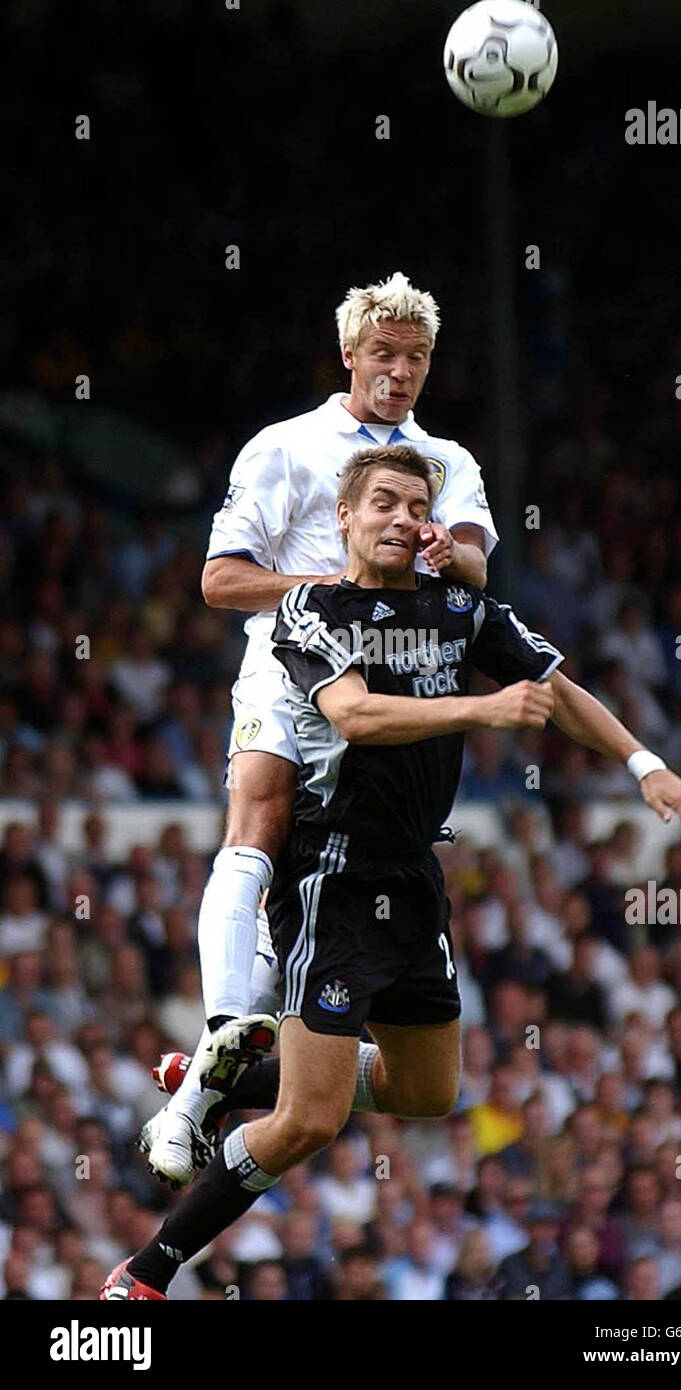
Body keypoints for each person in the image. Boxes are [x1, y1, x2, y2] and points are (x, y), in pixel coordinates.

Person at [102, 444, 681, 1299]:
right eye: (380, 501)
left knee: (427, 1092)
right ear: (343, 519)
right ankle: (148, 1267)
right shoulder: (312, 609)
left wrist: (646, 762)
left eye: (415, 506)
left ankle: (231, 1072)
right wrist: (484, 707)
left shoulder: (460, 605)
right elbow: (354, 715)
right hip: (332, 881)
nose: (399, 517)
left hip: (414, 880)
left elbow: (557, 686)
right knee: (310, 1121)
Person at [145, 272, 499, 1186]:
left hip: (393, 684)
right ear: (351, 354)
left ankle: (207, 1089)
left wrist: (443, 552)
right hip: (290, 668)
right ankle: (229, 1028)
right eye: (384, 353)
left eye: (417, 357)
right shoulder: (285, 446)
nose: (401, 371)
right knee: (257, 827)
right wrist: (329, 596)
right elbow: (222, 581)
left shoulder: (445, 461)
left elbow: (474, 571)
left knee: (326, 898)